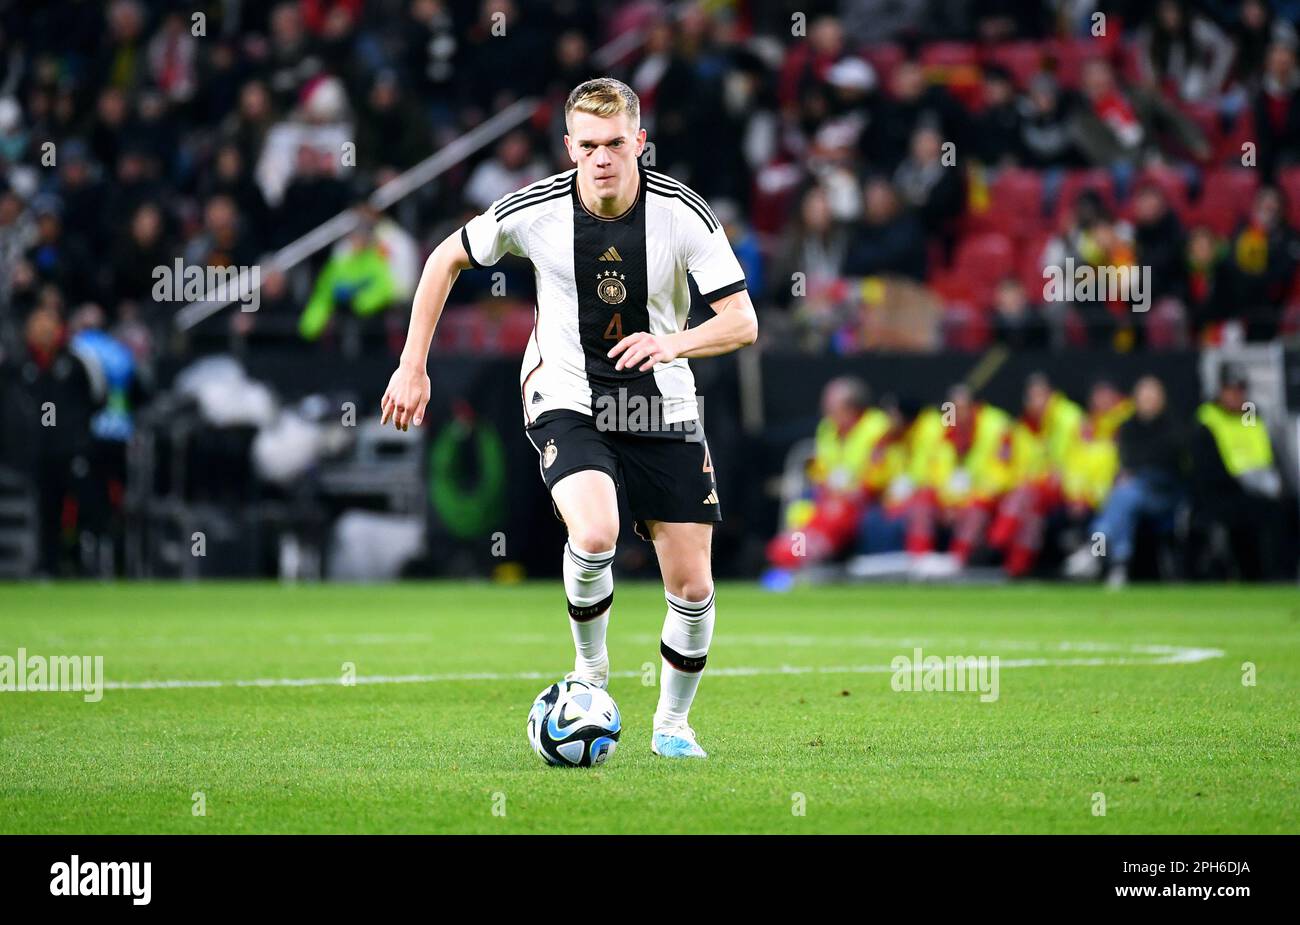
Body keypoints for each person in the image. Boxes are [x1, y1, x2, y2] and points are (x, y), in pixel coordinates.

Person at [380, 78, 757, 759]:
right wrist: (412, 365)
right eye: (588, 145)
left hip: (658, 397)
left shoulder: (683, 214)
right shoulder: (538, 208)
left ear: (640, 142)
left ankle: (672, 725)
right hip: (567, 389)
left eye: (616, 143)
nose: (603, 158)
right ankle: (590, 673)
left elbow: (742, 320)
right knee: (595, 527)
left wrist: (673, 341)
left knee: (693, 584)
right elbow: (445, 258)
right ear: (569, 147)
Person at [1064, 376, 1184, 588]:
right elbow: (1125, 460)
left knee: (1123, 495)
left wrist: (1136, 474)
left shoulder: (1172, 428)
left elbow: (1168, 463)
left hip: (1162, 495)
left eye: (1152, 398)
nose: (1148, 403)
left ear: (1161, 400)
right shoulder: (1128, 427)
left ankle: (1097, 552)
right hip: (1133, 492)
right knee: (1124, 498)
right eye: (1143, 398)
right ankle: (1119, 563)